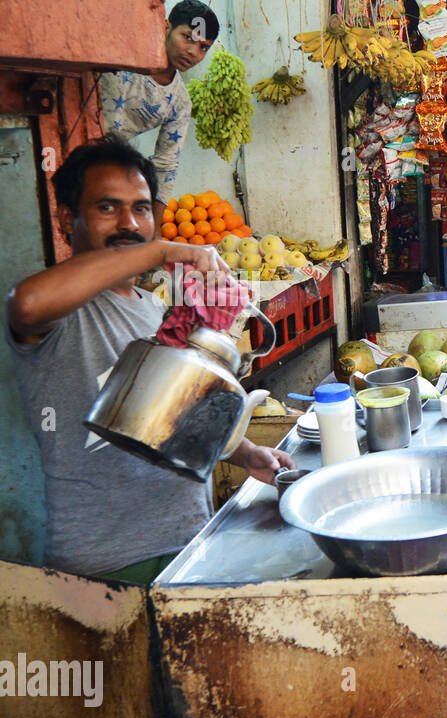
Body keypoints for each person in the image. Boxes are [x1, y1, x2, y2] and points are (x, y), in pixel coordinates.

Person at [5, 137, 293, 584]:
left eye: (141, 209)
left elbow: (176, 412)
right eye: (107, 208)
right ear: (68, 219)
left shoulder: (154, 309)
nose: (129, 223)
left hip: (187, 541)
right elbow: (24, 304)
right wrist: (161, 251)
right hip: (105, 563)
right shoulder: (61, 314)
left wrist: (246, 454)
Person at [99, 0, 219, 224]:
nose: (193, 52)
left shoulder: (180, 102)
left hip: (99, 169)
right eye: (188, 38)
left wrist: (154, 231)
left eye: (203, 47)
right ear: (166, 27)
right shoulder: (120, 56)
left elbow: (166, 165)